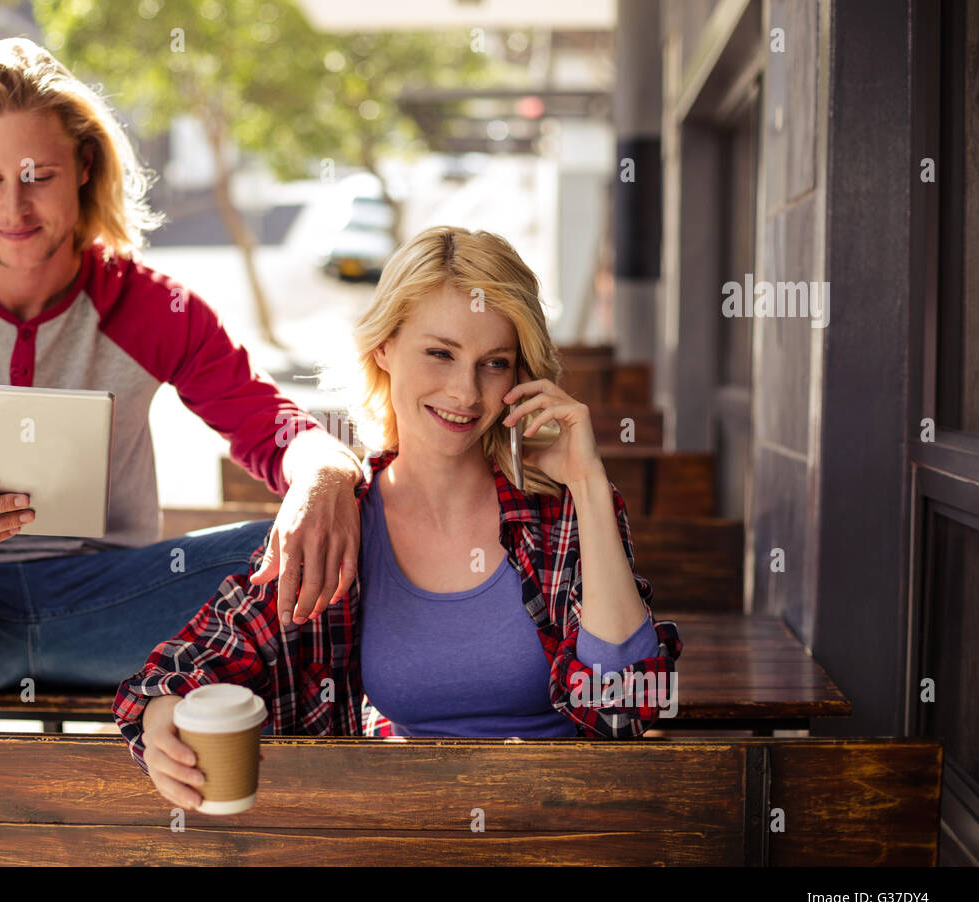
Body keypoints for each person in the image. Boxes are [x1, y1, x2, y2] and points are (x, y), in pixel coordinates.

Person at [0, 37, 364, 744]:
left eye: (39, 176)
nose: (15, 208)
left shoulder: (147, 302)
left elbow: (268, 426)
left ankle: (293, 823)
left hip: (117, 609)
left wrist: (325, 467)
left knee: (325, 550)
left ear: (84, 166)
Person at [112, 226, 684, 809]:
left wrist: (588, 483)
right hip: (408, 823)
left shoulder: (559, 514)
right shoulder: (345, 522)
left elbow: (625, 709)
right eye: (440, 353)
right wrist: (161, 712)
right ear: (384, 346)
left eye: (494, 363)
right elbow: (190, 663)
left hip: (572, 821)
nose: (465, 392)